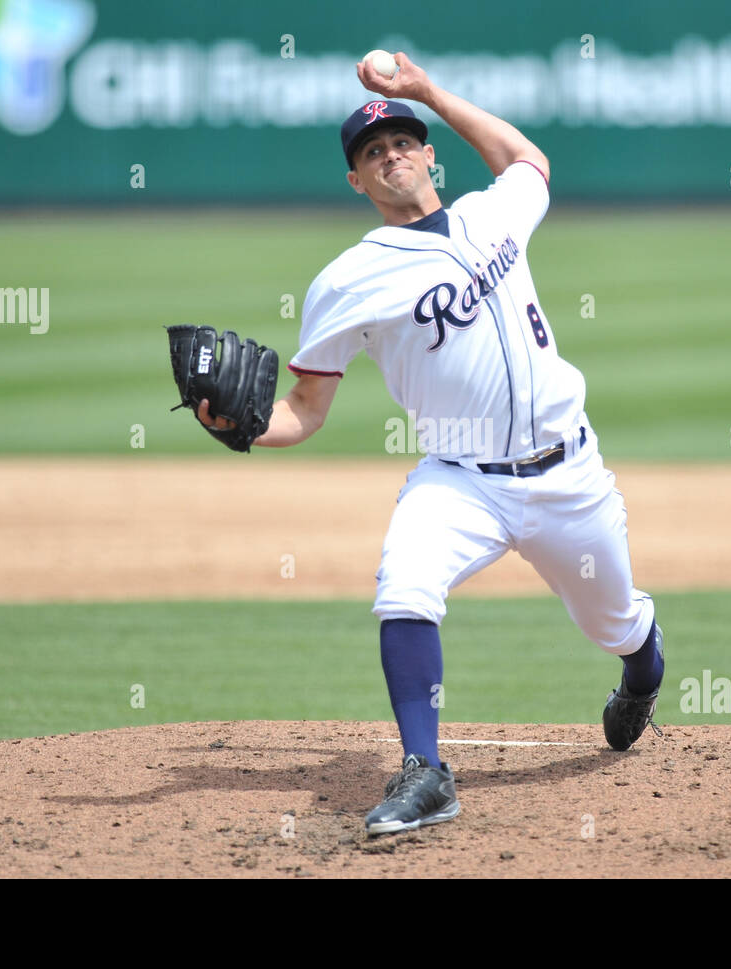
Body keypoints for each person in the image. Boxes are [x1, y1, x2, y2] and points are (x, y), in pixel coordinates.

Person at [197, 52, 664, 835]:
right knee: (404, 586)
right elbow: (305, 408)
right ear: (357, 182)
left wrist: (426, 93)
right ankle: (426, 772)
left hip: (568, 475)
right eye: (371, 153)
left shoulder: (493, 213)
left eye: (403, 142)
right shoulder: (349, 280)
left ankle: (643, 676)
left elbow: (528, 161)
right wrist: (239, 426)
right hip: (460, 482)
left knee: (615, 624)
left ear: (428, 153)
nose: (390, 156)